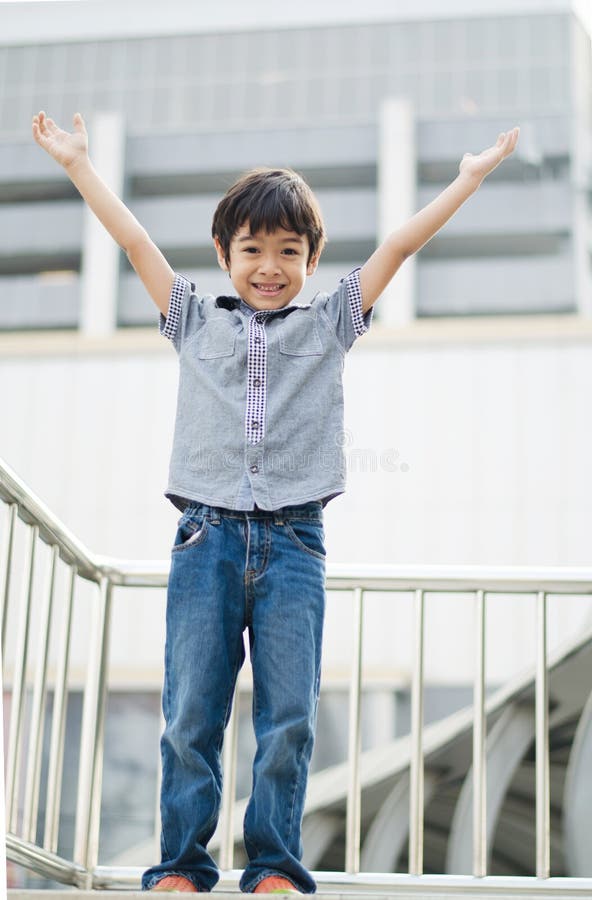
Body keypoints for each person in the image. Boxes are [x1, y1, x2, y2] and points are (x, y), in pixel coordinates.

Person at [32, 110, 519, 894]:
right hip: (206, 540)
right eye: (251, 250)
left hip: (295, 545)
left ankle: (273, 867)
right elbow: (132, 243)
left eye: (287, 252)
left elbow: (397, 247)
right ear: (225, 255)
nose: (268, 266)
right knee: (192, 717)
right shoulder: (191, 319)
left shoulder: (331, 324)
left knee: (288, 722)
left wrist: (465, 179)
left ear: (311, 258)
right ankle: (184, 866)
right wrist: (80, 165)